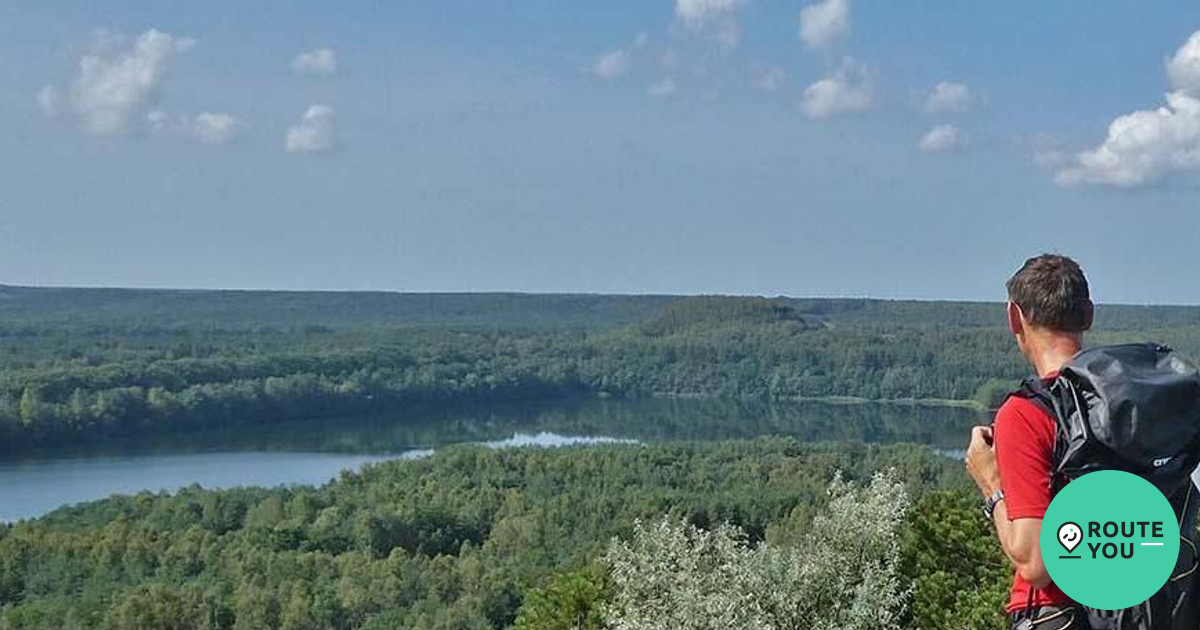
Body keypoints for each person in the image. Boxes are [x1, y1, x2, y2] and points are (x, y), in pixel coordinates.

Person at [965, 253, 1094, 630]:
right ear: (1088, 315)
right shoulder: (1130, 404)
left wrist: (991, 484)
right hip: (1147, 609)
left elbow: (1037, 562)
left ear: (1014, 317)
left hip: (1061, 614)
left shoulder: (1025, 413)